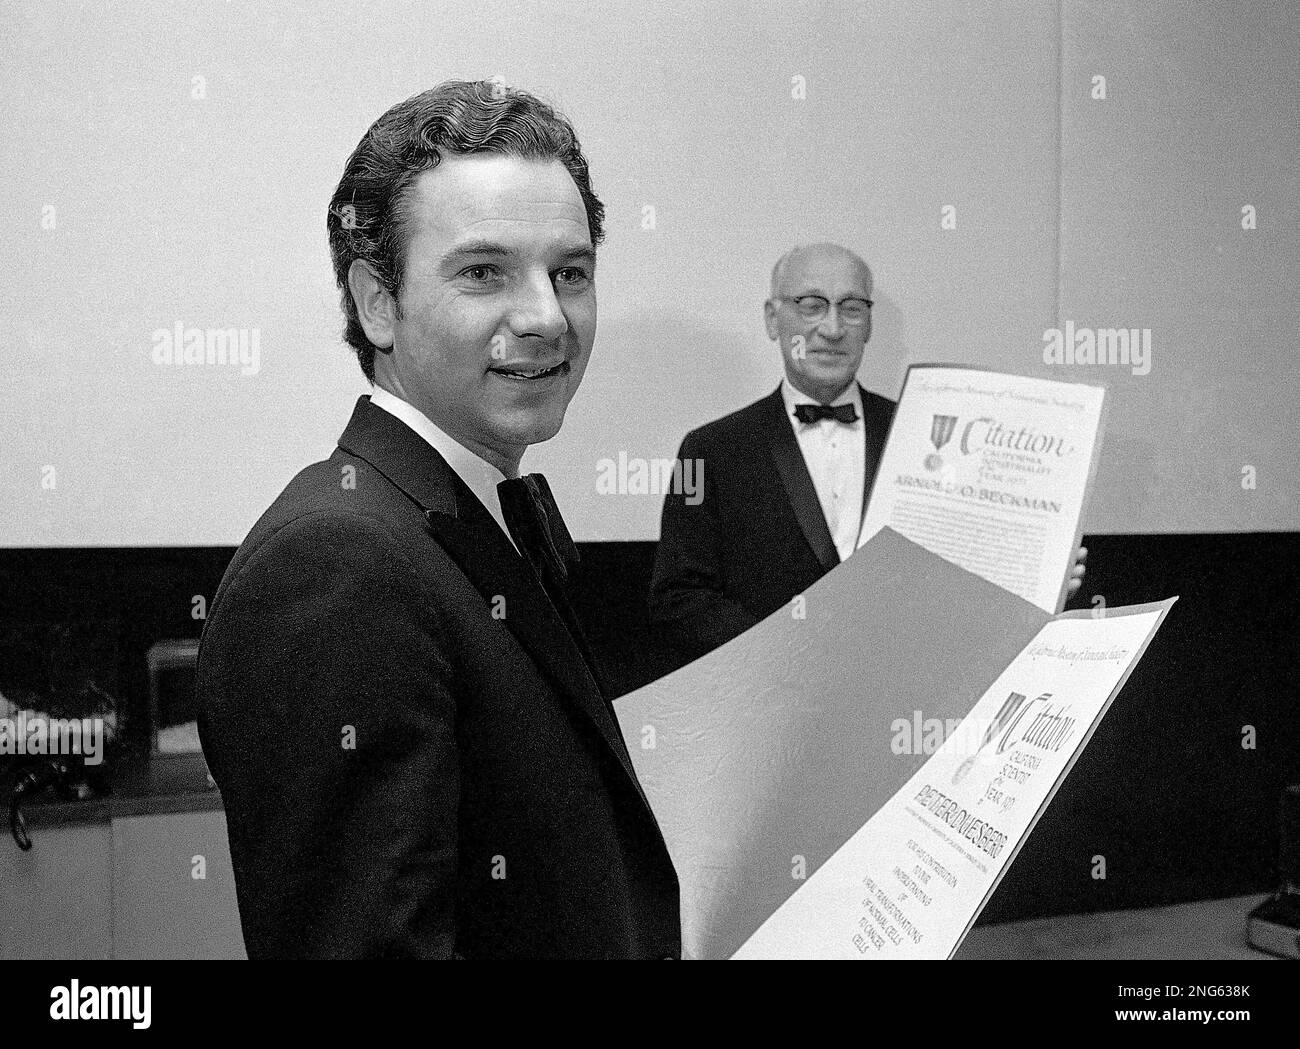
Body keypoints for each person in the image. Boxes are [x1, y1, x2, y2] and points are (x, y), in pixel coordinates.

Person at [196, 81, 680, 959]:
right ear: (378, 302)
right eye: (484, 271)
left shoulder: (456, 512)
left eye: (570, 271)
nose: (544, 316)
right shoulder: (335, 563)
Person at [649, 242, 1084, 667]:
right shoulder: (709, 449)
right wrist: (786, 654)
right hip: (770, 708)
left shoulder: (925, 437)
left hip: (909, 696)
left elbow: (959, 583)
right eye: (811, 304)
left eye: (852, 307)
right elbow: (680, 598)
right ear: (772, 318)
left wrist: (1038, 584)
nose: (833, 328)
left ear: (869, 325)